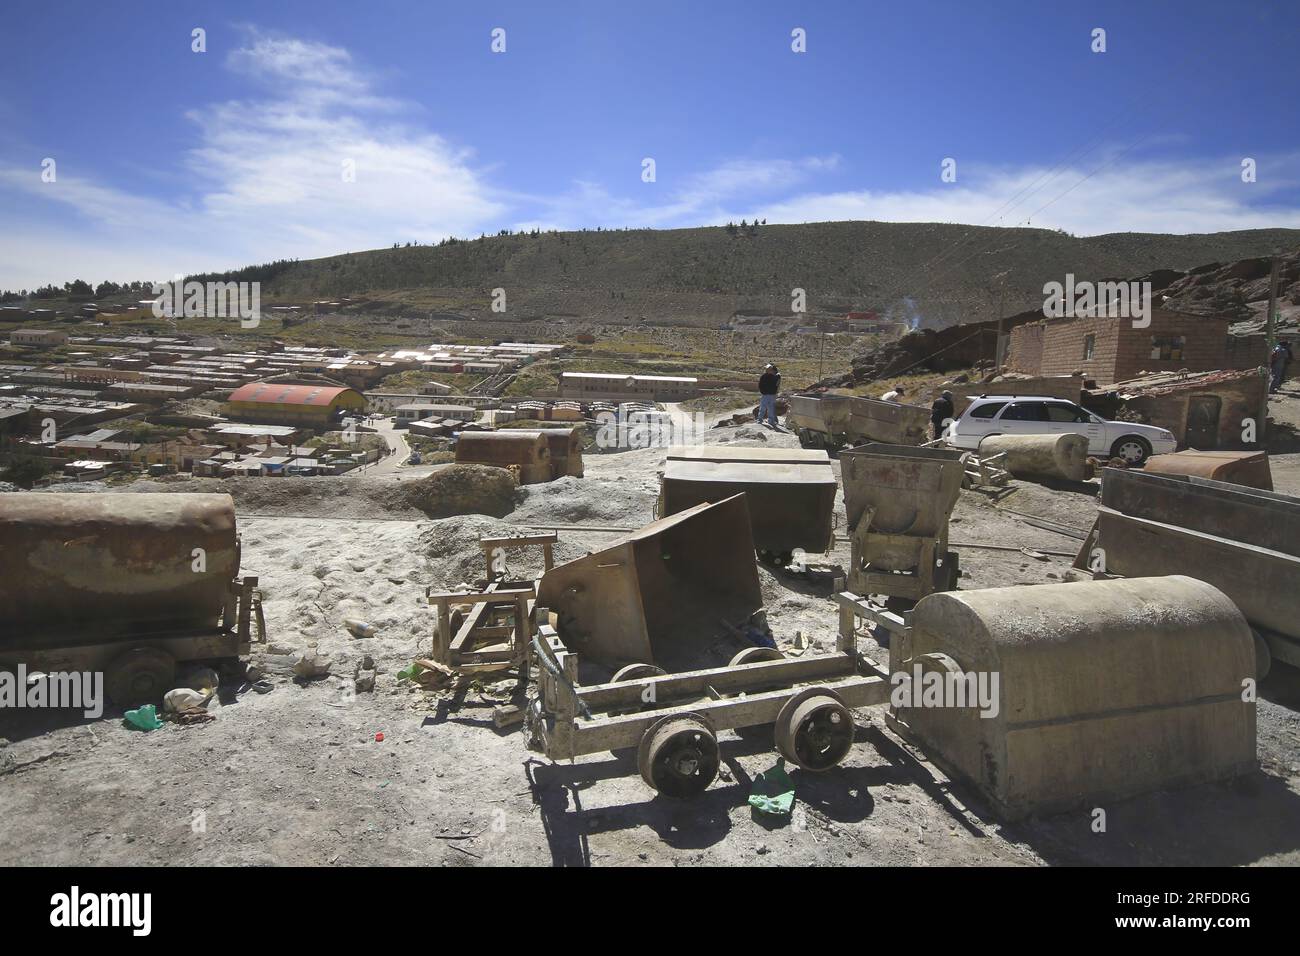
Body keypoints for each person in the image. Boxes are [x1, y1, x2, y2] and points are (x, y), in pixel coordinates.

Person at [757, 363, 781, 428]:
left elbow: (777, 384)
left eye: (768, 369)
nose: (767, 370)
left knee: (770, 408)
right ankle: (760, 419)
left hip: (771, 395)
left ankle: (770, 421)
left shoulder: (775, 377)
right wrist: (762, 391)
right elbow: (760, 385)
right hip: (766, 394)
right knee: (763, 407)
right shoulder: (764, 376)